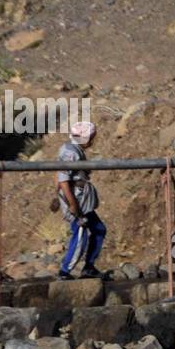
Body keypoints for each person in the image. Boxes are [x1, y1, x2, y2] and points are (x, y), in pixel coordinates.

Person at [56, 120, 107, 280]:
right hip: (76, 200)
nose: (92, 141)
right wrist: (72, 205)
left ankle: (89, 267)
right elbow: (63, 179)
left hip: (82, 200)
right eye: (91, 138)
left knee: (99, 229)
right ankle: (65, 272)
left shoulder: (74, 149)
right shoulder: (71, 152)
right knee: (80, 234)